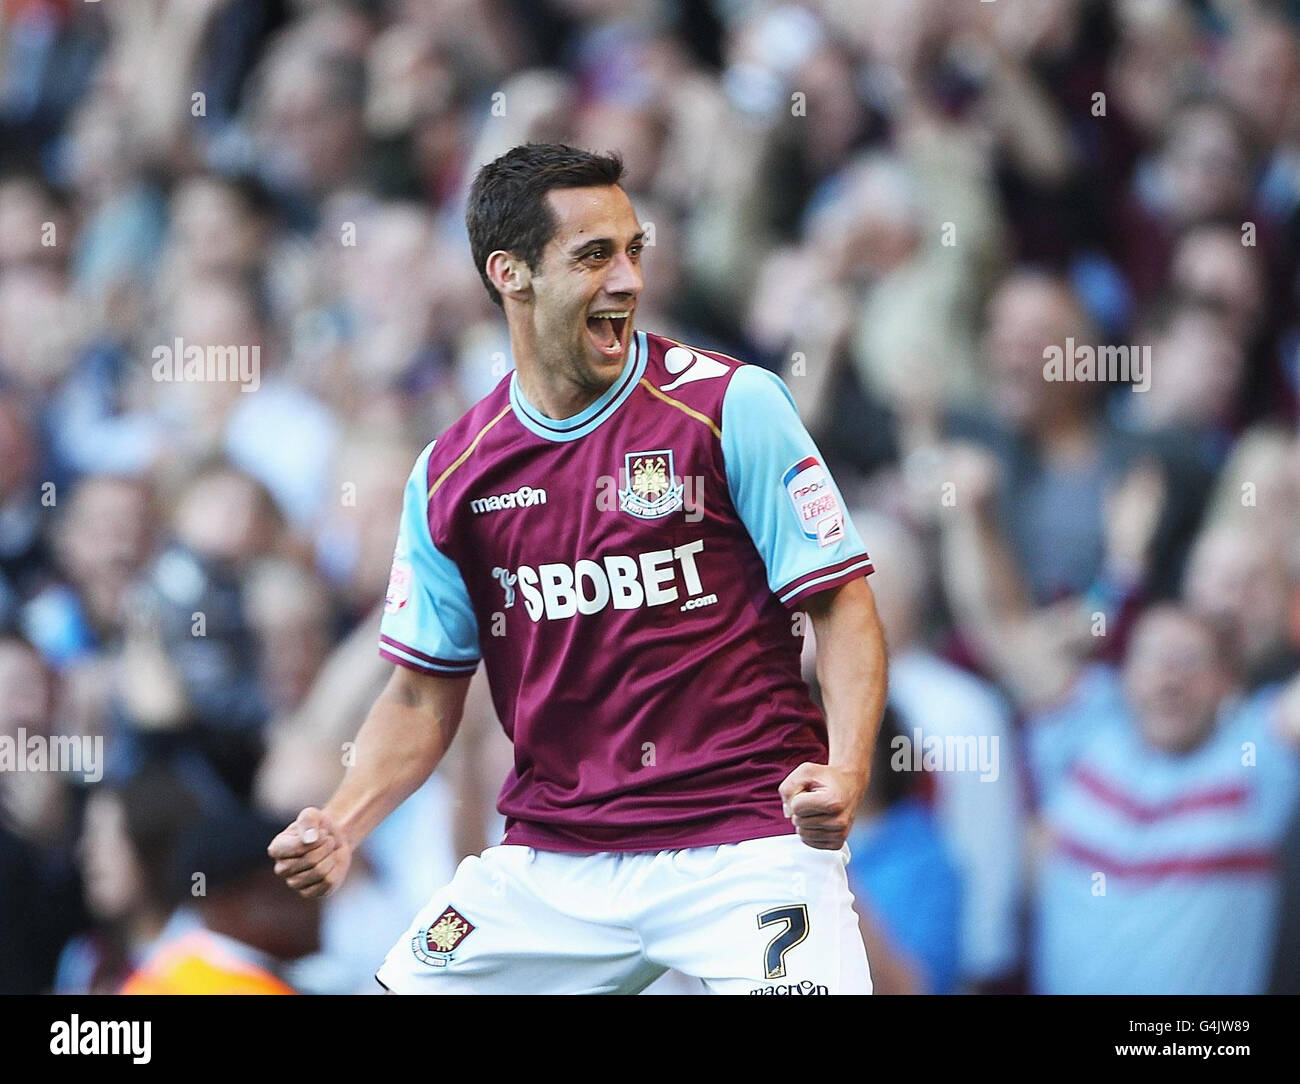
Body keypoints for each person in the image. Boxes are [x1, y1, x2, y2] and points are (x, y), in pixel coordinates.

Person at [269, 143, 888, 995]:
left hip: (746, 845)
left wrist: (848, 770)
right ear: (511, 274)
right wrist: (343, 821)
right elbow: (420, 692)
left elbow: (844, 606)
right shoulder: (452, 475)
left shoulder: (728, 405)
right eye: (594, 256)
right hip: (556, 864)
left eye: (634, 250)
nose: (628, 279)